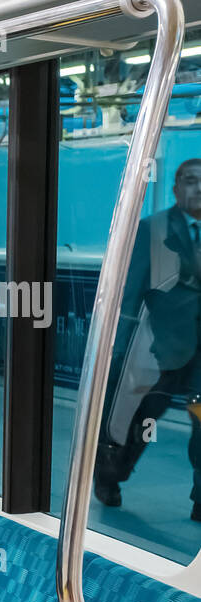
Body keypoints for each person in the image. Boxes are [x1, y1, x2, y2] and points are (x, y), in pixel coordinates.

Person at [96, 159, 201, 518]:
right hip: (161, 347)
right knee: (143, 419)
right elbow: (130, 294)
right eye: (190, 181)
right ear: (175, 189)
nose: (199, 188)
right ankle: (111, 474)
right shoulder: (152, 230)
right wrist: (118, 347)